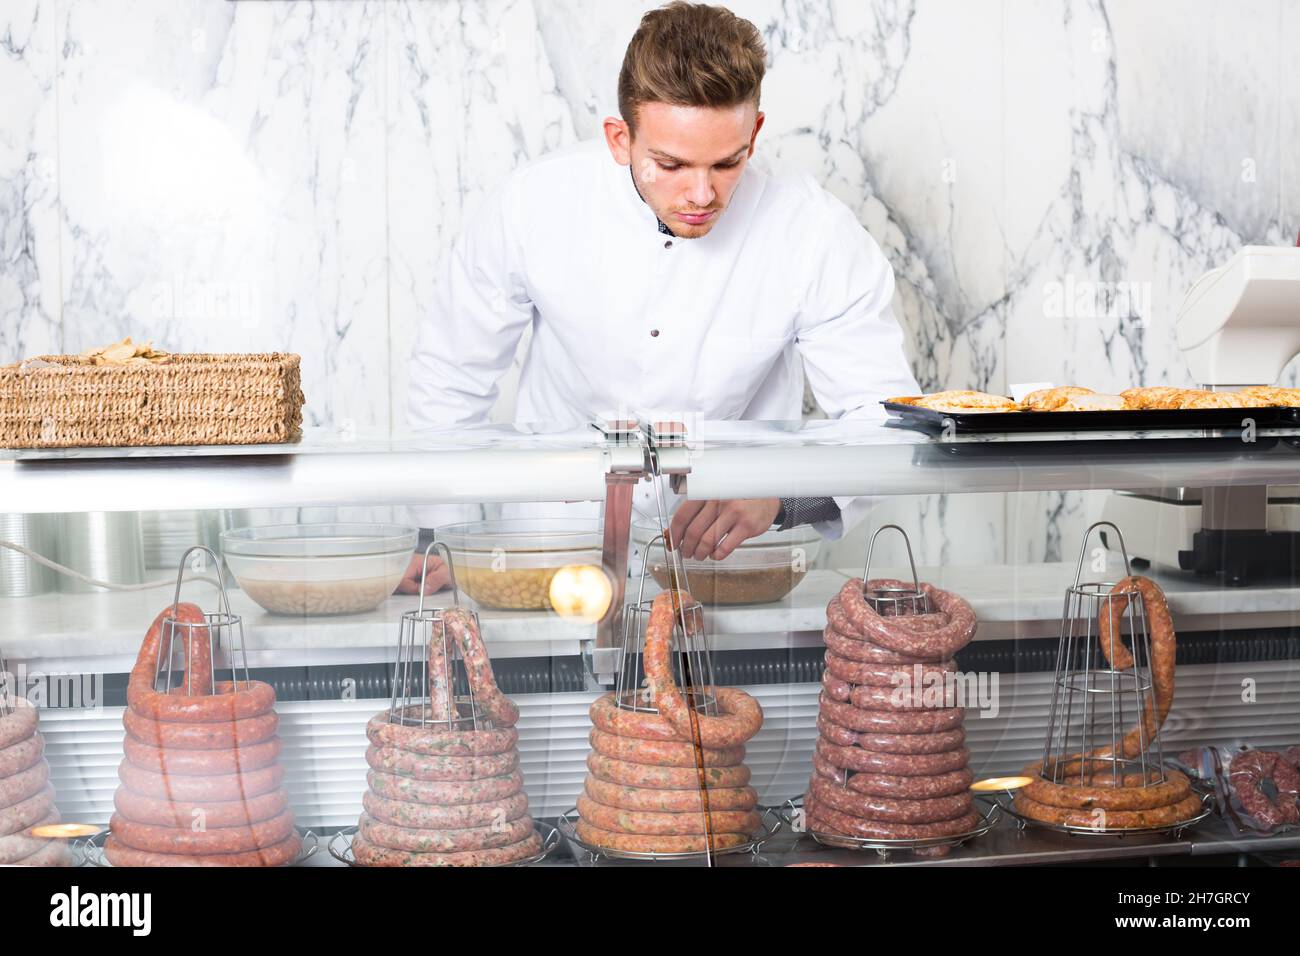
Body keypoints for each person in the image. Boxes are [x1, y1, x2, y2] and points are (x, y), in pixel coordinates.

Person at [400, 1, 918, 594]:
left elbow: (884, 418)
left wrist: (779, 499)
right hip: (554, 552)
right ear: (620, 139)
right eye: (670, 164)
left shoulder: (814, 232)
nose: (702, 193)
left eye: (728, 163)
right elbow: (450, 378)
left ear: (754, 131)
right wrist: (440, 534)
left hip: (728, 562)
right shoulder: (533, 205)